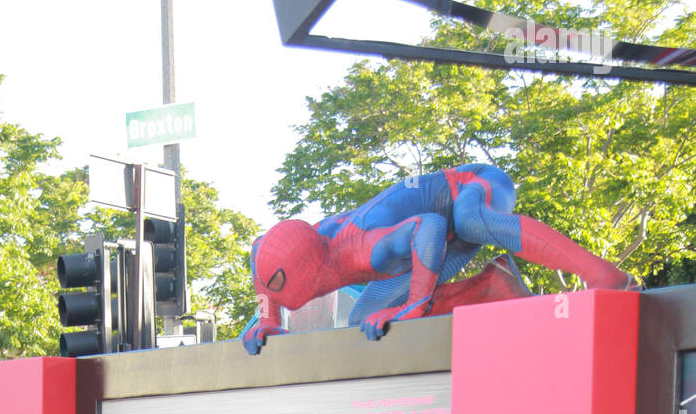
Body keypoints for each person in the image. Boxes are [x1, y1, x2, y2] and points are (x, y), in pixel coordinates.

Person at [241, 162, 637, 352]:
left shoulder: (367, 249)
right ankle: (491, 284)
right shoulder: (276, 256)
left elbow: (428, 226)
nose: (272, 293)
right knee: (364, 321)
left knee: (471, 220)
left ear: (314, 271)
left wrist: (415, 304)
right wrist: (268, 320)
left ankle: (606, 277)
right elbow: (264, 264)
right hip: (430, 248)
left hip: (472, 188)